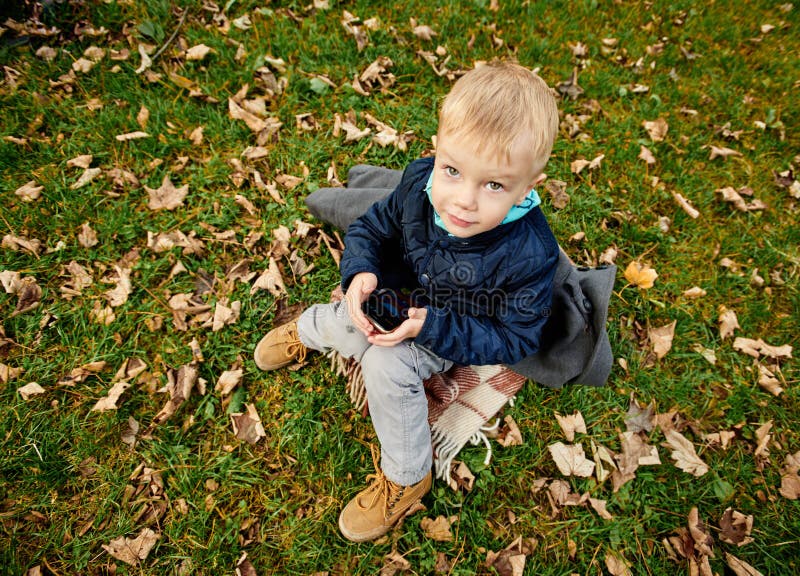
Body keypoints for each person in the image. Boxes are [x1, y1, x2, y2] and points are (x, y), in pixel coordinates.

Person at [254, 60, 560, 542]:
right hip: (395, 293)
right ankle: (307, 331)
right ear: (436, 153)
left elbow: (516, 335)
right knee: (346, 320)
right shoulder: (419, 185)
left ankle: (407, 474)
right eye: (453, 171)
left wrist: (430, 327)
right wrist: (360, 274)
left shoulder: (528, 253)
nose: (463, 200)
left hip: (448, 326)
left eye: (494, 185)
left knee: (385, 366)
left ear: (529, 185)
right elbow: (372, 228)